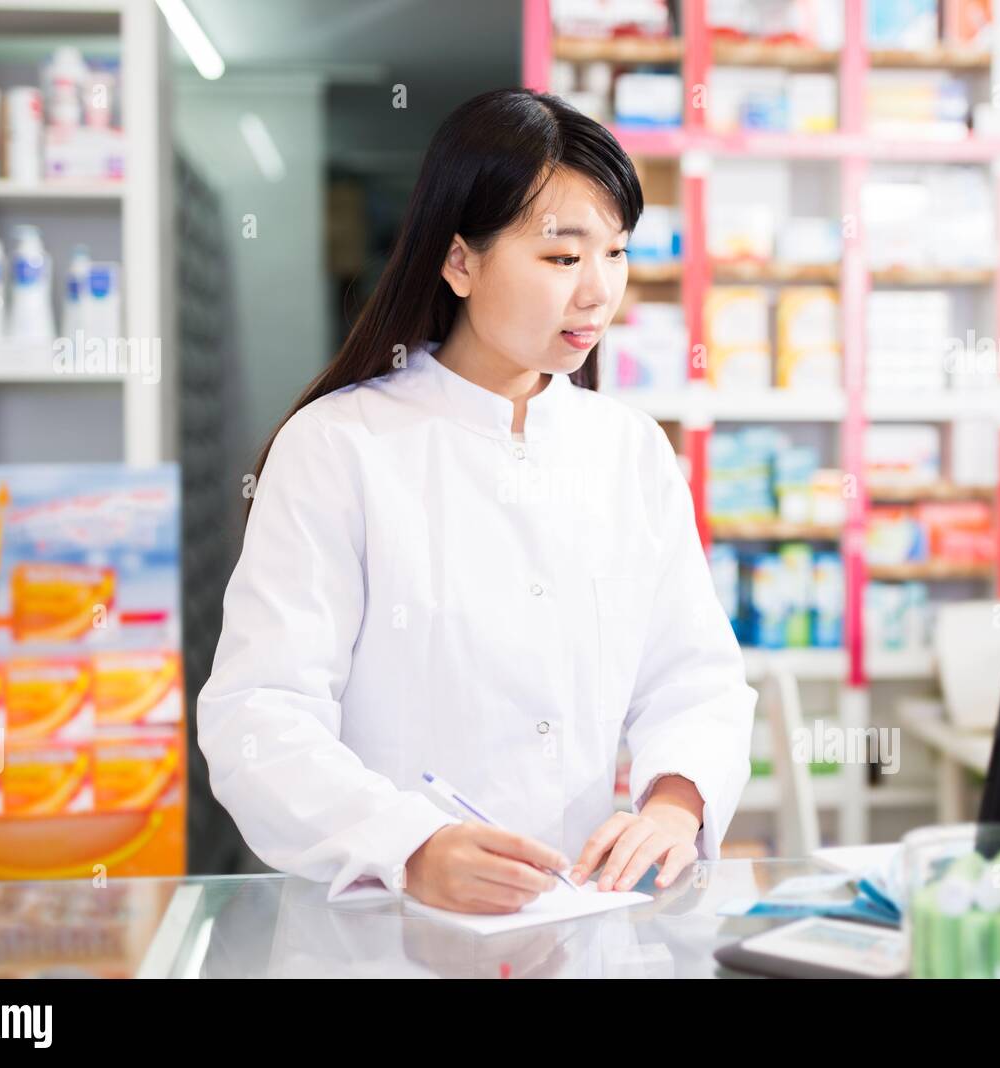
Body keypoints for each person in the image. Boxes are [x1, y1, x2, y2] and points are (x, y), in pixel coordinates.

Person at [197, 88, 755, 914]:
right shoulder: (338, 447)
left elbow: (694, 678)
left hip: (579, 919)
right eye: (563, 258)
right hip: (389, 930)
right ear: (460, 261)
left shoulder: (628, 452)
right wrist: (409, 847)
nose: (599, 292)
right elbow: (260, 716)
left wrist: (675, 801)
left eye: (617, 253)